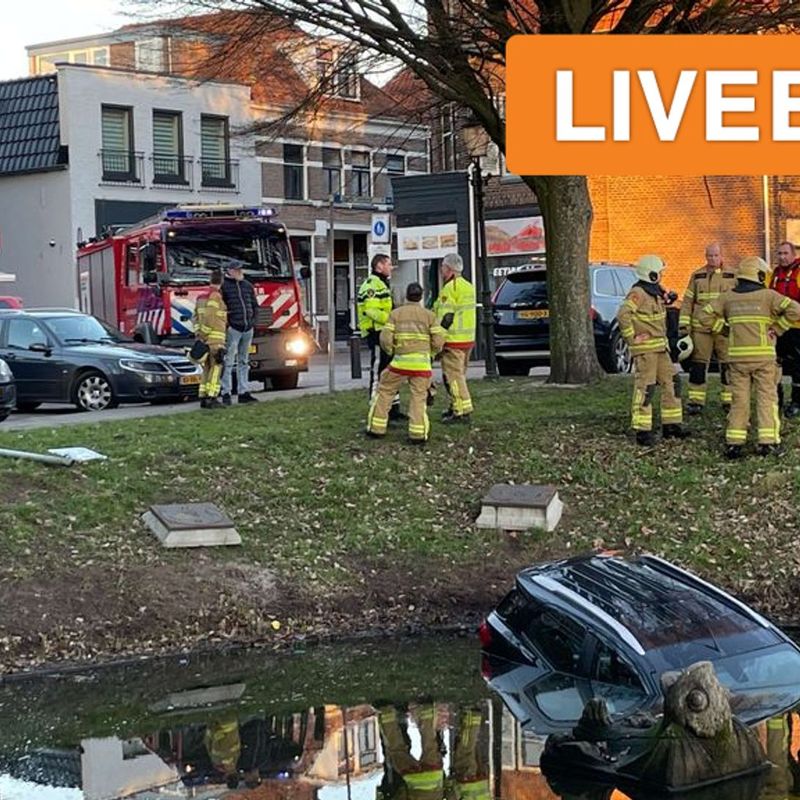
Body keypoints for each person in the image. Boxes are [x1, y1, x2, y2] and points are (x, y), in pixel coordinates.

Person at [701, 256, 800, 458]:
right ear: (760, 275)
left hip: (737, 359)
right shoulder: (769, 296)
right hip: (763, 358)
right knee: (767, 399)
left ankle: (734, 443)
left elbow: (704, 316)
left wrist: (726, 331)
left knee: (739, 400)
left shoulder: (727, 297)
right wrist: (778, 328)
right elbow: (796, 310)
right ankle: (768, 442)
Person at [617, 254, 686, 446]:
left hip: (660, 348)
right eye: (660, 273)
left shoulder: (654, 291)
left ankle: (671, 426)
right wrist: (632, 338)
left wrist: (668, 299)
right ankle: (642, 431)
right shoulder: (638, 293)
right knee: (645, 388)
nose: (662, 276)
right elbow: (623, 314)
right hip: (646, 351)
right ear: (652, 274)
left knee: (672, 382)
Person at [367, 282, 445, 443]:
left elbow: (385, 338)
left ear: (406, 296)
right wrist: (430, 353)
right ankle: (417, 433)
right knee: (419, 397)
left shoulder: (396, 314)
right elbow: (438, 341)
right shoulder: (429, 316)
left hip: (399, 363)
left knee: (385, 391)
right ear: (421, 297)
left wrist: (391, 351)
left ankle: (377, 428)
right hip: (422, 365)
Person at [678, 243, 736, 414]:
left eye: (715, 255)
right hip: (701, 328)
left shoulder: (733, 275)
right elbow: (688, 302)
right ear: (705, 256)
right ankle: (696, 401)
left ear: (721, 255)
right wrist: (684, 325)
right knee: (698, 365)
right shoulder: (697, 276)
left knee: (727, 365)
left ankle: (729, 400)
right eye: (709, 256)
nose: (712, 259)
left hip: (723, 328)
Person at [357, 253, 403, 420]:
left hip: (385, 332)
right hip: (377, 333)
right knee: (379, 370)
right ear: (379, 266)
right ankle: (376, 406)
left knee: (391, 370)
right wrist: (391, 319)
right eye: (388, 264)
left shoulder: (381, 283)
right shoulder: (372, 285)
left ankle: (393, 408)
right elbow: (371, 310)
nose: (391, 267)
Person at [433, 253, 476, 423]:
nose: (441, 270)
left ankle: (461, 411)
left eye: (443, 267)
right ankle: (455, 406)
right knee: (460, 376)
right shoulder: (468, 286)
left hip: (453, 340)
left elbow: (447, 318)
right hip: (467, 340)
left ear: (449, 269)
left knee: (453, 377)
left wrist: (438, 341)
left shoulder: (450, 289)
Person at [221, 263, 260, 405]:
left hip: (247, 328)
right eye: (237, 269)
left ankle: (243, 391)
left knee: (244, 361)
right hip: (233, 328)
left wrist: (253, 321)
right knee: (228, 361)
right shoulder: (224, 287)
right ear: (229, 271)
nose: (240, 271)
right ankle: (226, 392)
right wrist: (228, 324)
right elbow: (221, 308)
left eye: (240, 269)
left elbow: (255, 305)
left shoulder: (247, 285)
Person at [769, 241, 800, 417]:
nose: (782, 257)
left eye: (785, 253)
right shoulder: (773, 274)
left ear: (793, 254)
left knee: (798, 367)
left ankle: (797, 401)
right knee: (775, 363)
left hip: (797, 327)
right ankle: (776, 398)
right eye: (779, 253)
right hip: (778, 327)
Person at [193, 268, 227, 409]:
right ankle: (212, 397)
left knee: (206, 368)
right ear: (222, 281)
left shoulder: (200, 298)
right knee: (216, 368)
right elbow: (210, 316)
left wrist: (199, 335)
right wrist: (205, 334)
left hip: (203, 339)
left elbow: (195, 317)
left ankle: (203, 396)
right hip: (214, 339)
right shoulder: (215, 296)